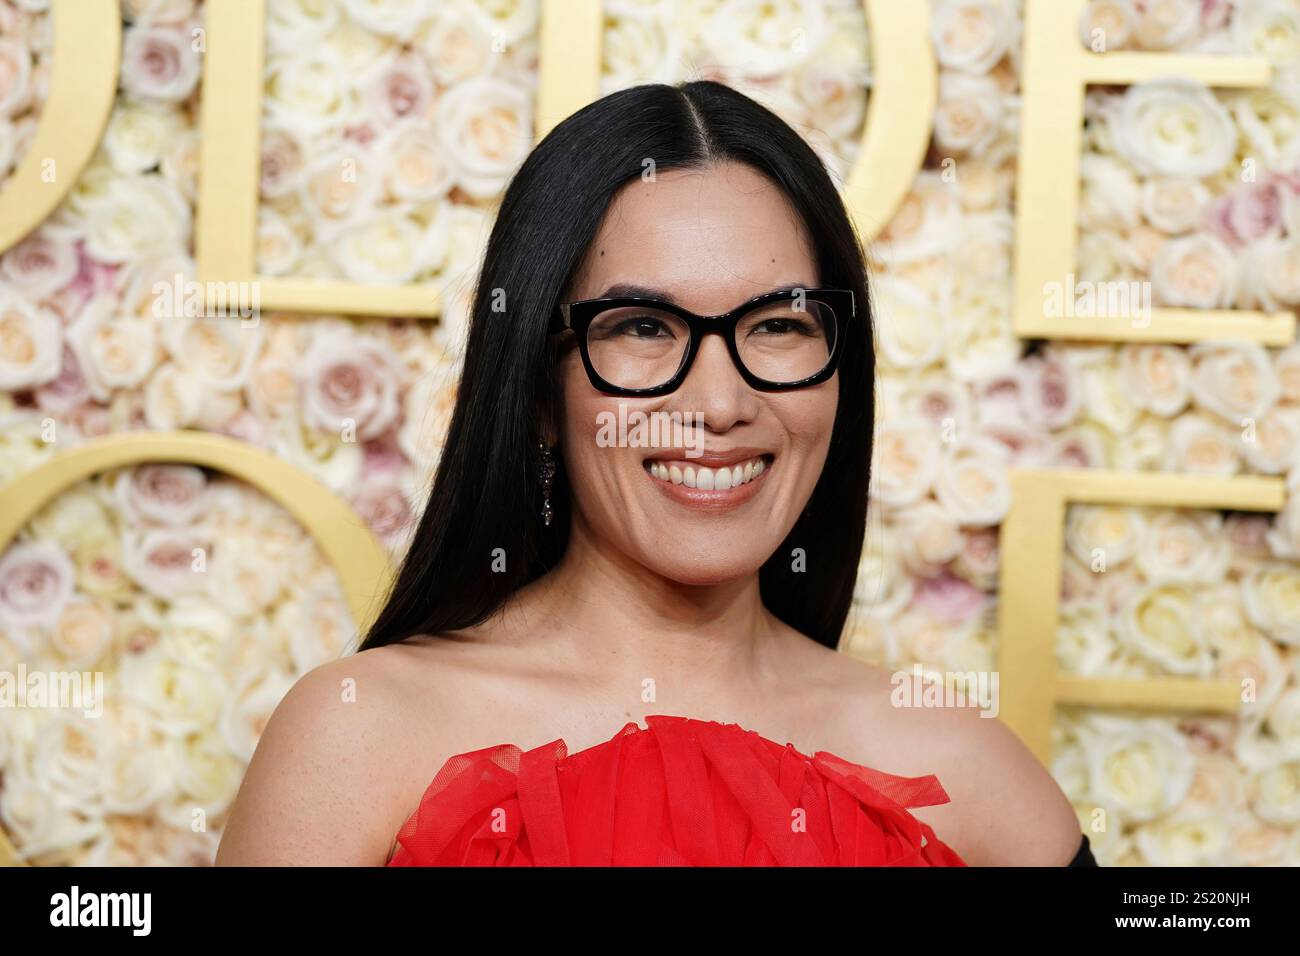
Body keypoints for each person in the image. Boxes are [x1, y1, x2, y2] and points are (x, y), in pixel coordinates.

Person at [216, 80, 1093, 867]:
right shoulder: (358, 734)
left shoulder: (961, 766)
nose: (718, 403)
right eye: (642, 327)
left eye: (778, 326)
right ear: (538, 392)